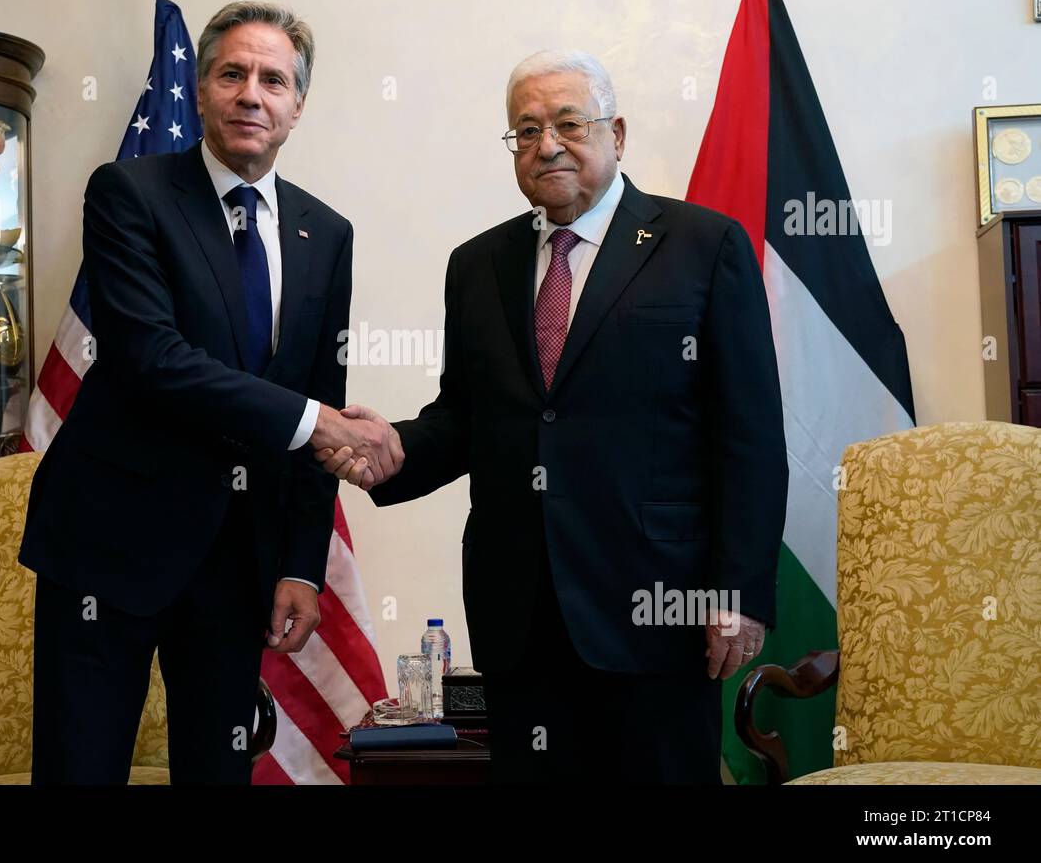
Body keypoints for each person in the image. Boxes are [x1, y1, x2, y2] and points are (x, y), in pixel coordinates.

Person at [320, 50, 788, 783]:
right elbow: (467, 419)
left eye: (568, 123)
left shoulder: (703, 246)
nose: (546, 144)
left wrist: (739, 592)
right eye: (526, 130)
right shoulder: (477, 265)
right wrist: (393, 450)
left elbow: (750, 439)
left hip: (659, 610)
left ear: (617, 133)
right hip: (521, 616)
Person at [18, 1, 398, 784]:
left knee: (217, 773)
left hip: (237, 562)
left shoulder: (327, 235)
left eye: (273, 80)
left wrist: (299, 563)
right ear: (200, 90)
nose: (252, 94)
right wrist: (313, 420)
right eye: (232, 74)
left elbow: (319, 394)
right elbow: (154, 359)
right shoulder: (129, 193)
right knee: (80, 769)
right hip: (108, 546)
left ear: (298, 105)